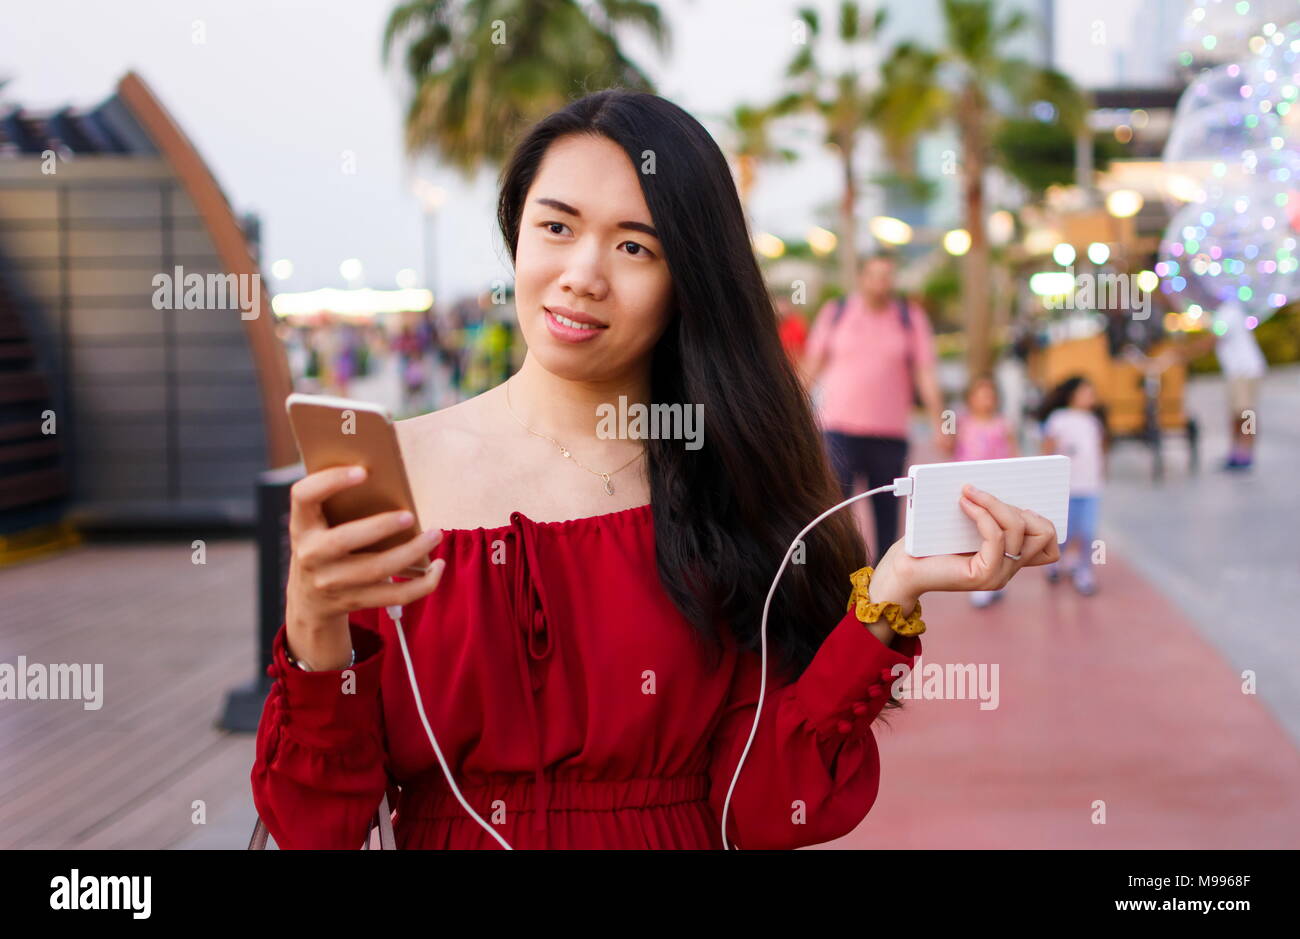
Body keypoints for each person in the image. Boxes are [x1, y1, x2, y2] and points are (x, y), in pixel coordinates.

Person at [251, 89, 1059, 851]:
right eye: (557, 227)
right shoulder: (393, 470)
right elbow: (317, 824)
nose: (583, 274)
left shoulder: (729, 482)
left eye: (635, 246)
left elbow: (768, 802)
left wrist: (891, 596)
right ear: (516, 233)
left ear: (687, 281)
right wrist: (312, 622)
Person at [801, 252, 945, 563]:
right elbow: (811, 366)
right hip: (838, 431)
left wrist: (941, 423)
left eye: (888, 276)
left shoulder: (909, 318)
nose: (882, 283)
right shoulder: (836, 312)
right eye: (875, 275)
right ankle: (834, 577)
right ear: (861, 278)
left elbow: (925, 373)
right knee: (834, 511)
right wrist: (793, 416)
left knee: (887, 516)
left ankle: (883, 587)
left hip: (889, 435)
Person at [951, 376, 1019, 609]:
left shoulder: (1002, 424)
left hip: (996, 487)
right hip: (970, 488)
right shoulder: (963, 423)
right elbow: (950, 449)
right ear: (970, 398)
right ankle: (981, 582)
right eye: (980, 394)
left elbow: (1013, 452)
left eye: (990, 394)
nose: (985, 399)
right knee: (976, 535)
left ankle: (995, 578)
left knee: (998, 533)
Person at [1038, 375, 1106, 596]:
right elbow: (1048, 447)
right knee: (1063, 532)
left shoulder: (1093, 421)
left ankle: (1085, 571)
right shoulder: (1059, 419)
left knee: (1087, 531)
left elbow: (1099, 449)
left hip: (1090, 488)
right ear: (1073, 394)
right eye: (1086, 392)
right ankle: (1055, 561)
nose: (1090, 397)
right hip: (1066, 487)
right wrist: (1049, 478)